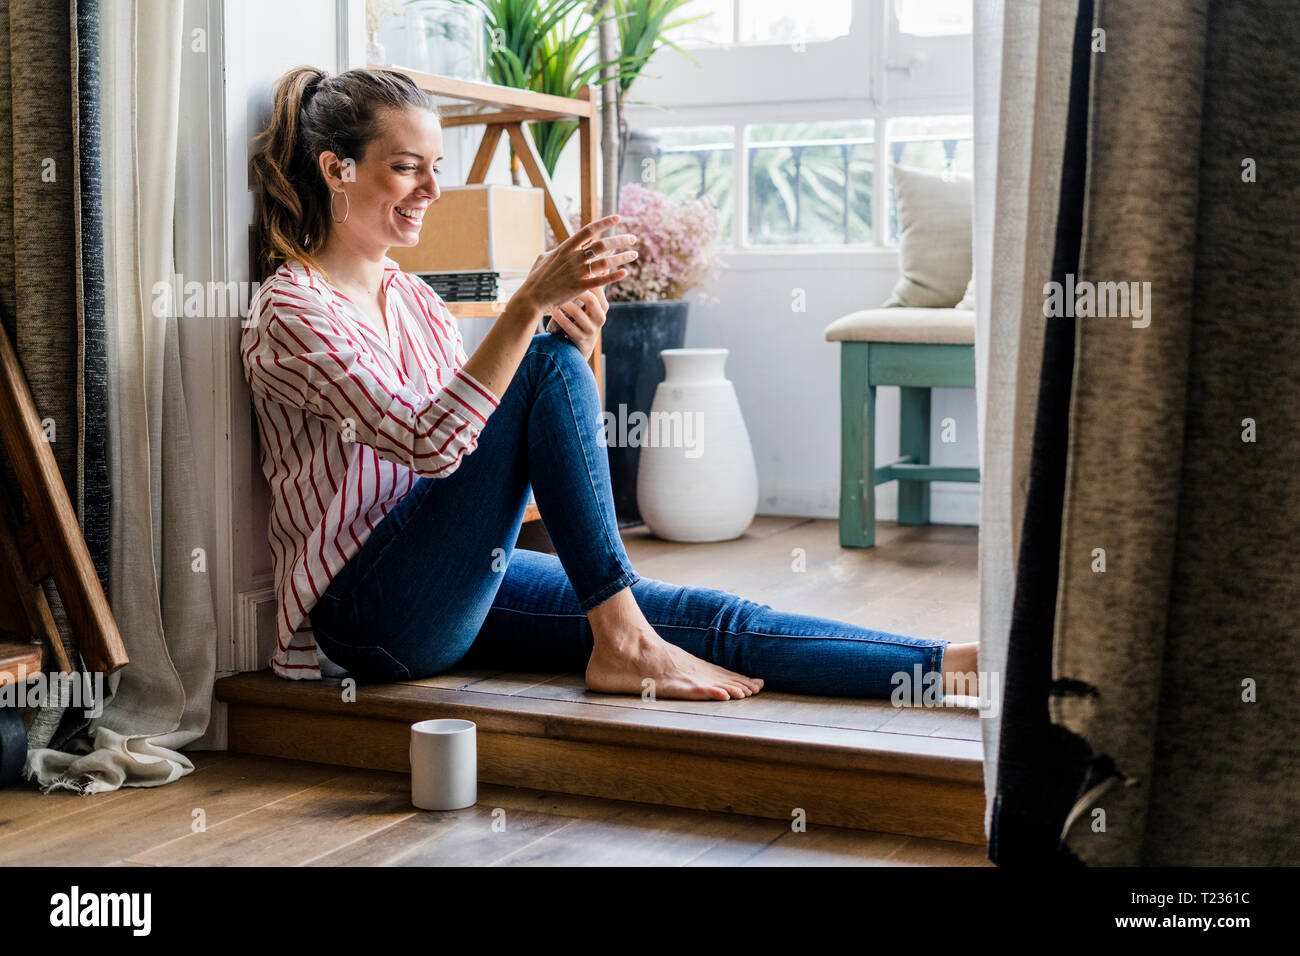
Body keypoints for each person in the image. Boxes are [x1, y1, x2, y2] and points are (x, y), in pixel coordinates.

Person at [241, 66, 979, 702]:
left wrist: (575, 339)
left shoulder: (416, 300)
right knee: (538, 364)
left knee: (697, 613)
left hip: (452, 580)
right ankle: (621, 640)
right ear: (337, 169)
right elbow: (432, 444)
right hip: (371, 617)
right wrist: (528, 310)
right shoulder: (291, 310)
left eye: (437, 165)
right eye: (408, 167)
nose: (434, 187)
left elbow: (473, 449)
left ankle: (944, 666)